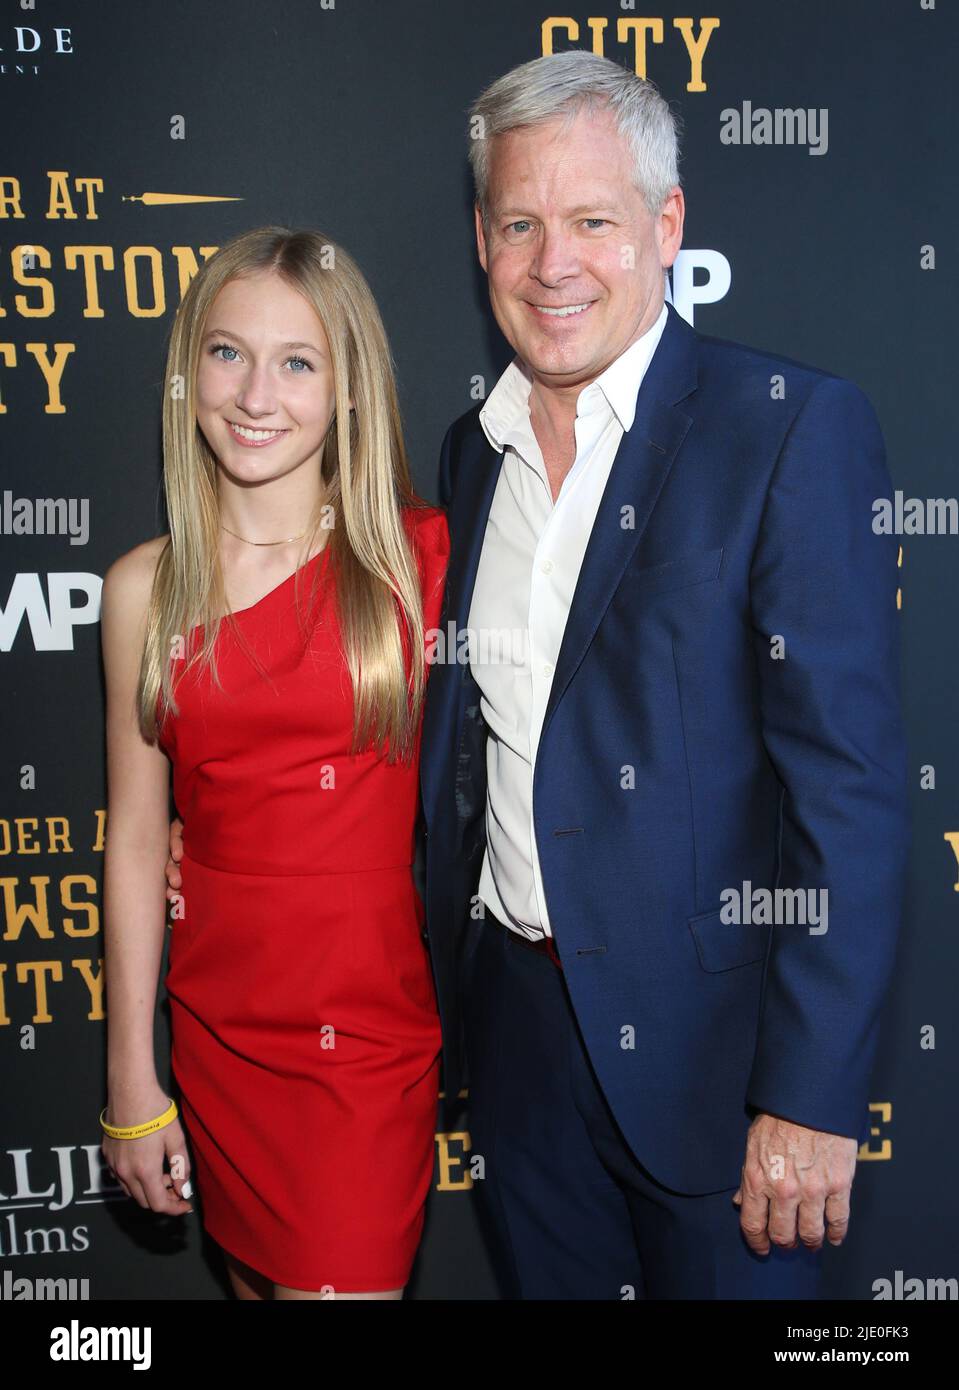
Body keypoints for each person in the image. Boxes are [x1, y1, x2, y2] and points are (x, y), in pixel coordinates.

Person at [416, 52, 909, 1298]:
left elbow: (846, 794)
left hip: (718, 1069)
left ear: (665, 225)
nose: (553, 262)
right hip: (518, 1045)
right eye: (520, 223)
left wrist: (804, 1094)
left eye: (591, 220)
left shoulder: (787, 426)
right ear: (481, 237)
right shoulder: (469, 456)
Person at [101, 226, 448, 1301]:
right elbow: (135, 835)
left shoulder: (417, 563)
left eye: (297, 361)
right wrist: (128, 1077)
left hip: (361, 1037)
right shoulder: (142, 591)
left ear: (347, 386)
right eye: (226, 352)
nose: (255, 393)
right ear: (185, 368)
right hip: (217, 1025)